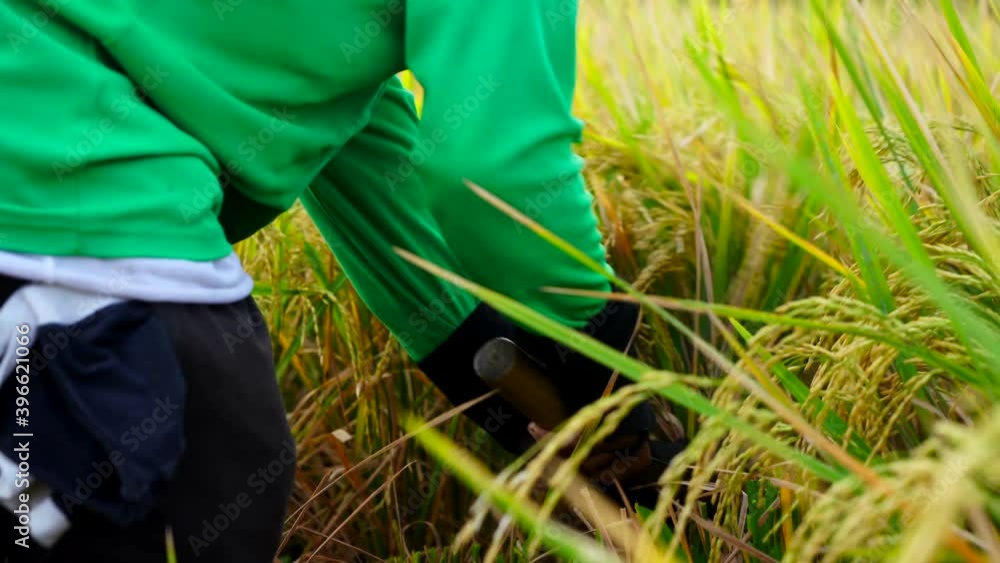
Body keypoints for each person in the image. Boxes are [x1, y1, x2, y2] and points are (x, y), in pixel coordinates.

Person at [0, 0, 680, 561]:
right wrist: (604, 370)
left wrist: (483, 367)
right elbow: (498, 170)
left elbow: (356, 145)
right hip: (58, 195)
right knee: (215, 488)